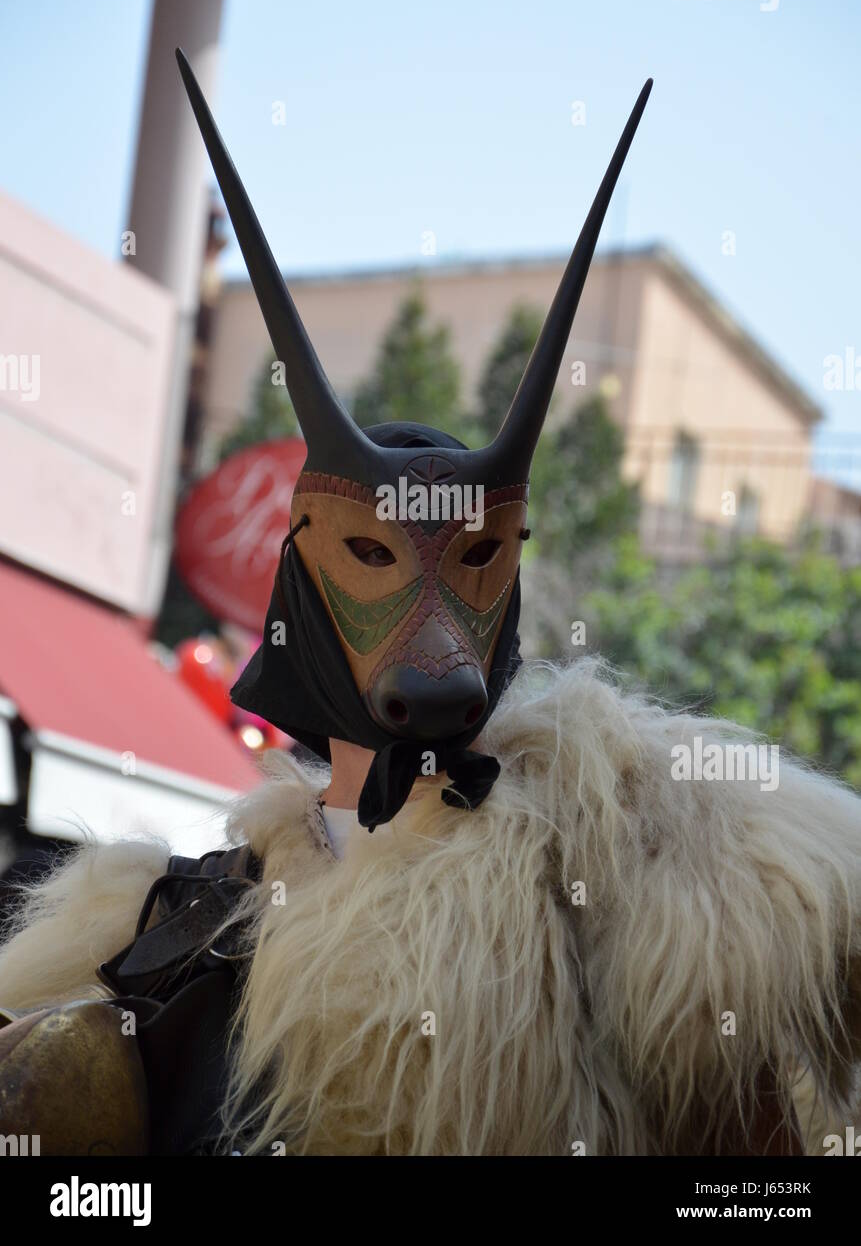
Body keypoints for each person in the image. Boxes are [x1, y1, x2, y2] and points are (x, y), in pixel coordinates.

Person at [0, 63, 858, 1156]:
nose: (432, 626)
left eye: (474, 559)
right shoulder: (157, 926)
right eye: (372, 554)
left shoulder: (647, 881)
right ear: (306, 575)